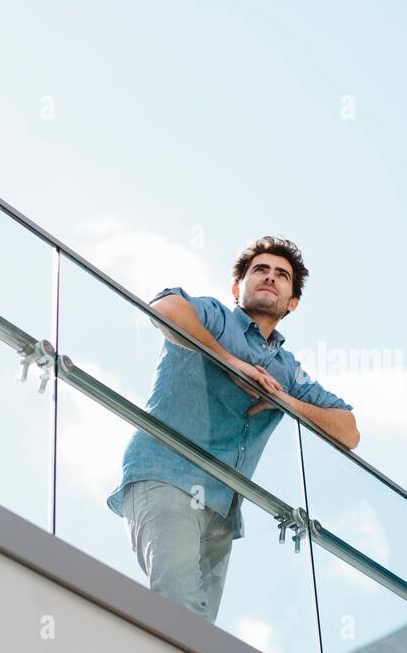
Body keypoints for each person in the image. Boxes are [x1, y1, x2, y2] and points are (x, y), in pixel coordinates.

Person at [105, 235, 359, 623]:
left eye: (281, 275)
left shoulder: (288, 370)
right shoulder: (216, 316)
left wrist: (284, 402)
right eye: (260, 270)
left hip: (221, 511)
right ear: (238, 286)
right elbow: (163, 307)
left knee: (201, 635)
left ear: (292, 302)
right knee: (179, 610)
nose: (270, 277)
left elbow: (349, 431)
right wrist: (228, 361)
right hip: (164, 475)